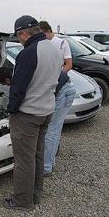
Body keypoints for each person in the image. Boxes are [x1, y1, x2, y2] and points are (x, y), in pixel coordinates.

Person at [1, 15, 62, 211]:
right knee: (37, 156)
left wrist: (11, 110)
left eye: (18, 37)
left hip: (27, 115)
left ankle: (22, 201)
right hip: (46, 111)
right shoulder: (55, 47)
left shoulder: (28, 53)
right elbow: (60, 79)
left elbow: (18, 88)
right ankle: (35, 194)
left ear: (23, 33)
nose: (18, 40)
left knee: (23, 161)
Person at [39, 21, 76, 176]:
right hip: (63, 88)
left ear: (48, 31)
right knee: (56, 128)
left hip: (61, 88)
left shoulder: (61, 43)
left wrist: (58, 74)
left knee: (51, 131)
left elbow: (69, 64)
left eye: (42, 35)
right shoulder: (43, 44)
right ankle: (51, 158)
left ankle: (46, 167)